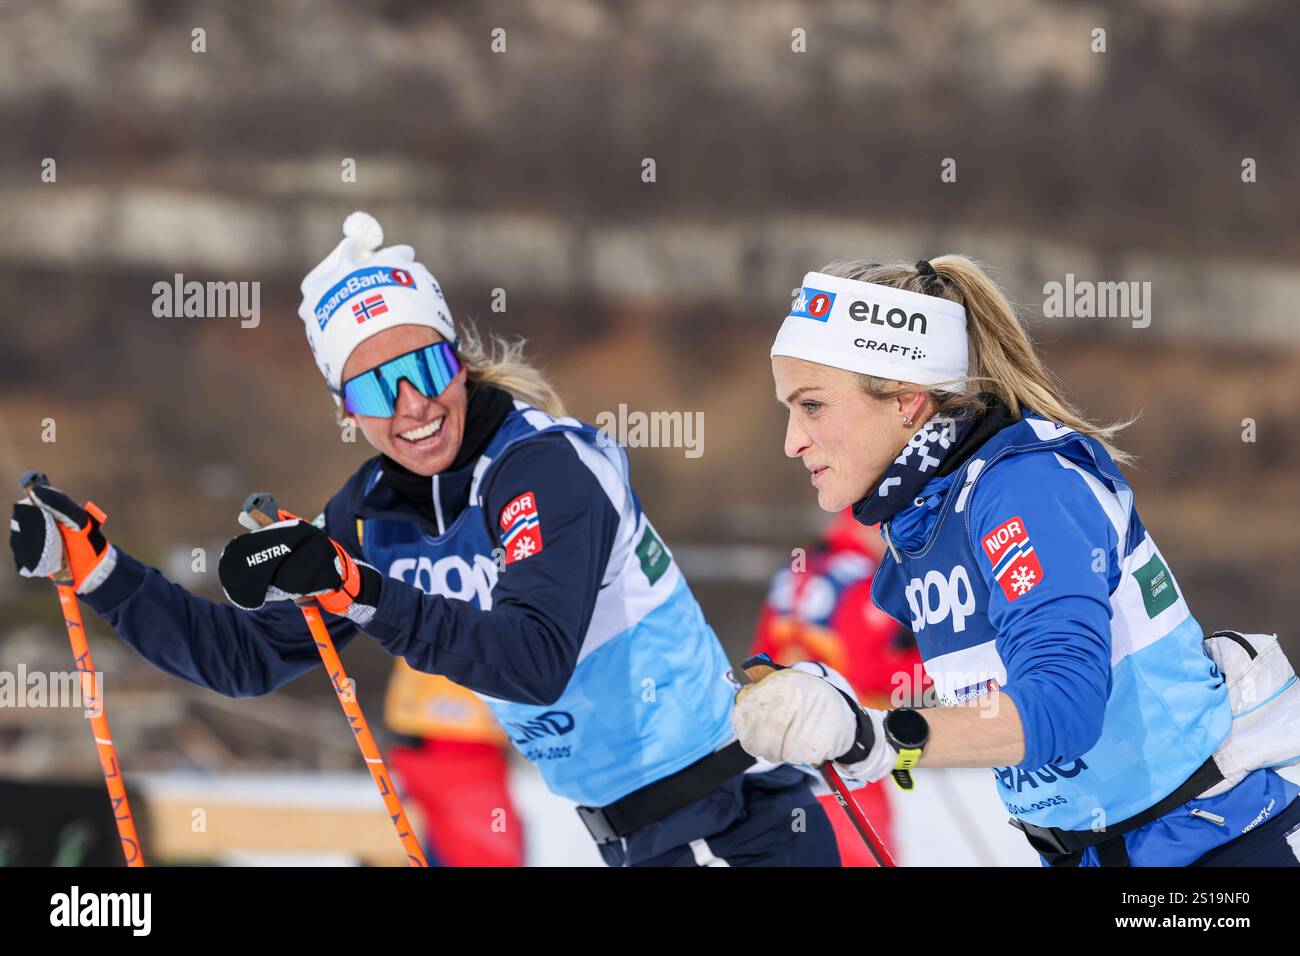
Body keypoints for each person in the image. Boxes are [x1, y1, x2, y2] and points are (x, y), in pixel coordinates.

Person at [11, 211, 840, 867]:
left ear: (460, 363)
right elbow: (244, 658)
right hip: (634, 835)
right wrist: (105, 576)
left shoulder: (543, 467)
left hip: (739, 818)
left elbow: (532, 659)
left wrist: (362, 593)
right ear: (347, 409)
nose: (412, 403)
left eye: (426, 366)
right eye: (375, 384)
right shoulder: (372, 517)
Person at [732, 256, 1300, 866]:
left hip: (1214, 839)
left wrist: (879, 736)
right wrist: (839, 703)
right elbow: (977, 695)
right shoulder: (925, 523)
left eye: (811, 405)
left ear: (906, 399)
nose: (791, 439)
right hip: (1110, 849)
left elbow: (1063, 704)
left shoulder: (1019, 488)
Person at [749, 509, 927, 866]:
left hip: (781, 747)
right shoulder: (865, 582)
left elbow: (760, 656)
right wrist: (926, 663)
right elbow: (869, 673)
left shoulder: (799, 568)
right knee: (861, 853)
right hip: (842, 745)